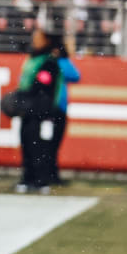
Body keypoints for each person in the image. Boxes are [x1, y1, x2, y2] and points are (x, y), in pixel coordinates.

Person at [14, 30, 63, 194]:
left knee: (39, 147)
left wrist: (26, 96)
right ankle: (27, 178)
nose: (34, 41)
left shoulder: (49, 61)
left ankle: (40, 180)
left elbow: (42, 86)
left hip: (41, 113)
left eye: (38, 39)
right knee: (27, 145)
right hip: (29, 111)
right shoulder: (33, 59)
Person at [52, 48, 80, 185]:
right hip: (54, 109)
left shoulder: (50, 61)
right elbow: (75, 75)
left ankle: (48, 174)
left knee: (51, 145)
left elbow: (76, 76)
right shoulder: (59, 62)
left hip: (53, 110)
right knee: (51, 145)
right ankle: (49, 175)